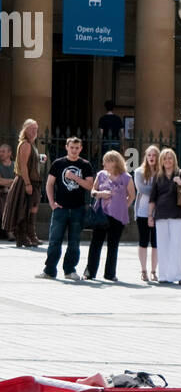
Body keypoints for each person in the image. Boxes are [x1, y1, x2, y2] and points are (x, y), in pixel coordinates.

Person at [40, 137, 95, 280]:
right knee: (54, 240)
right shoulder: (58, 163)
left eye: (77, 148)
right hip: (61, 208)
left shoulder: (85, 164)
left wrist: (74, 177)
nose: (74, 150)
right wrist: (52, 203)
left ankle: (70, 270)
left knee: (74, 242)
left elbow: (90, 185)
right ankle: (49, 270)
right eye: (72, 147)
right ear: (66, 147)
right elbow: (49, 184)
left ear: (81, 148)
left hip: (78, 209)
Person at [146, 147, 181, 285]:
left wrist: (180, 183)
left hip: (178, 214)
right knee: (163, 246)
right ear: (161, 161)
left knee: (177, 245)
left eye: (170, 158)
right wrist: (150, 216)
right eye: (164, 158)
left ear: (174, 160)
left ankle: (180, 275)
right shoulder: (158, 176)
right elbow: (152, 198)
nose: (167, 160)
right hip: (161, 215)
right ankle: (164, 275)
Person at [84, 150, 134, 281]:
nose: (103, 163)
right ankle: (90, 272)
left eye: (106, 160)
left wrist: (123, 207)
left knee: (113, 245)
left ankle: (110, 274)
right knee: (95, 243)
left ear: (114, 162)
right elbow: (92, 192)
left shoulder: (126, 177)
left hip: (118, 217)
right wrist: (100, 194)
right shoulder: (100, 175)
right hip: (101, 214)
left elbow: (132, 195)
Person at [1, 120, 43, 248]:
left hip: (33, 181)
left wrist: (40, 157)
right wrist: (27, 184)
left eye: (35, 129)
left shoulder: (31, 144)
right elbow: (23, 166)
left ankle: (30, 235)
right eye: (31, 129)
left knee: (32, 207)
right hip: (26, 181)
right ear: (25, 130)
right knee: (25, 209)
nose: (34, 132)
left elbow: (29, 161)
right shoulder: (25, 144)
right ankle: (24, 236)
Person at [134, 145, 160, 282]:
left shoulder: (161, 173)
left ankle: (154, 271)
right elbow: (142, 189)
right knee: (143, 241)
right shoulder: (139, 172)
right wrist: (158, 190)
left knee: (156, 243)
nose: (151, 157)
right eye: (149, 155)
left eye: (154, 155)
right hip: (142, 212)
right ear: (146, 156)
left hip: (159, 213)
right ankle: (143, 270)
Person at [0, 142, 14, 239]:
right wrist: (14, 181)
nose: (0, 153)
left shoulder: (15, 165)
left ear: (9, 153)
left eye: (3, 151)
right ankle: (10, 232)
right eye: (0, 151)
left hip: (14, 192)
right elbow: (0, 181)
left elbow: (20, 180)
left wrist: (8, 183)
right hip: (3, 193)